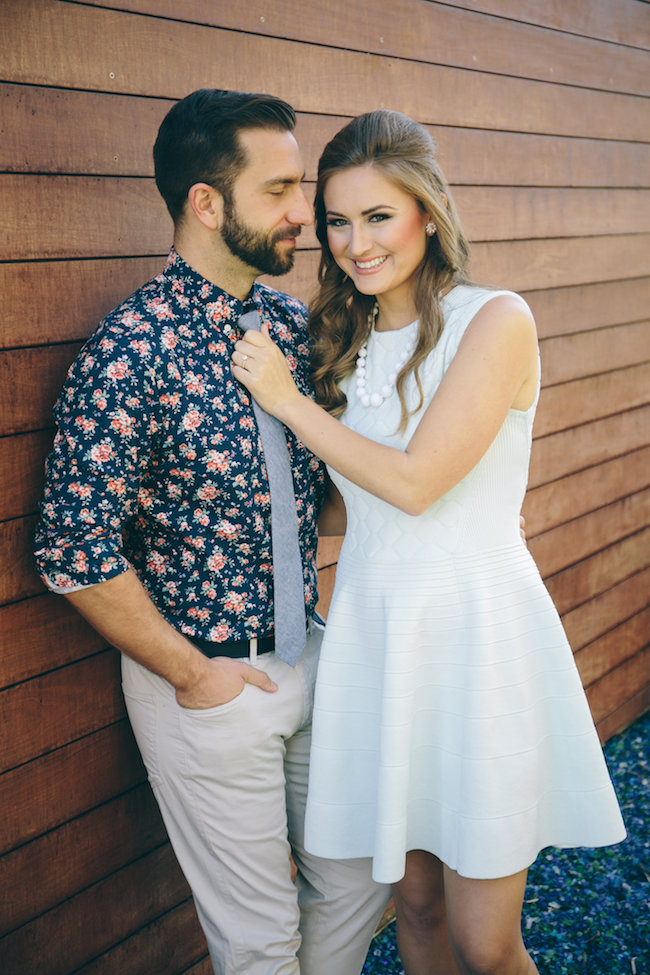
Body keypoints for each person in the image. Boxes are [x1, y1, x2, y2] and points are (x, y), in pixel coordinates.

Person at [233, 109, 627, 975]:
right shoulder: (347, 338)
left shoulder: (496, 320)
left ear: (427, 212)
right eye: (337, 220)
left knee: (486, 942)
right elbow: (353, 503)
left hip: (474, 636)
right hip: (380, 639)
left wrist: (286, 401)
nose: (354, 242)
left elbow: (414, 482)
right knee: (410, 905)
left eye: (378, 216)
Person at [34, 89, 391, 975]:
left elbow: (326, 491)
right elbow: (72, 548)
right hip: (205, 683)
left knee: (365, 880)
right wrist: (194, 674)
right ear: (206, 202)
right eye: (278, 190)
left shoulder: (286, 328)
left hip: (307, 653)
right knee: (259, 943)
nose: (303, 214)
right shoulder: (128, 351)